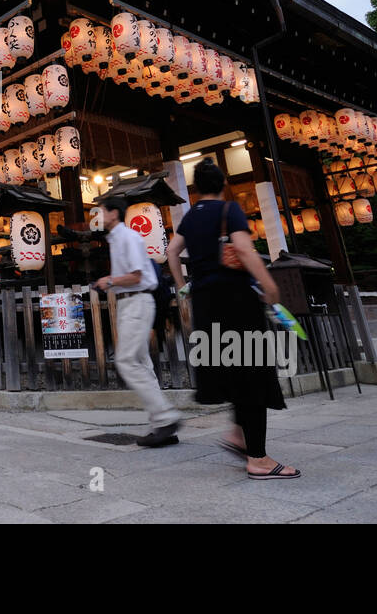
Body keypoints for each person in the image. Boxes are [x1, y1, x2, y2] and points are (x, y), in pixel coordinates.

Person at [166, 159, 299, 480]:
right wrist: (268, 284)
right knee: (251, 372)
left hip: (206, 305)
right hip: (236, 301)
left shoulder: (189, 218)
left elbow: (171, 252)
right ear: (222, 184)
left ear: (196, 188)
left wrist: (183, 287)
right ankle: (258, 459)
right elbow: (244, 249)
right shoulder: (230, 211)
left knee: (232, 369)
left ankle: (239, 436)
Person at [94, 195, 181, 446]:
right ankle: (162, 427)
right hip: (129, 302)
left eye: (101, 211)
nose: (98, 216)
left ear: (113, 214)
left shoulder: (127, 237)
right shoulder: (117, 238)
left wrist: (109, 280)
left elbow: (136, 275)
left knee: (126, 361)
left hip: (137, 300)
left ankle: (166, 416)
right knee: (141, 361)